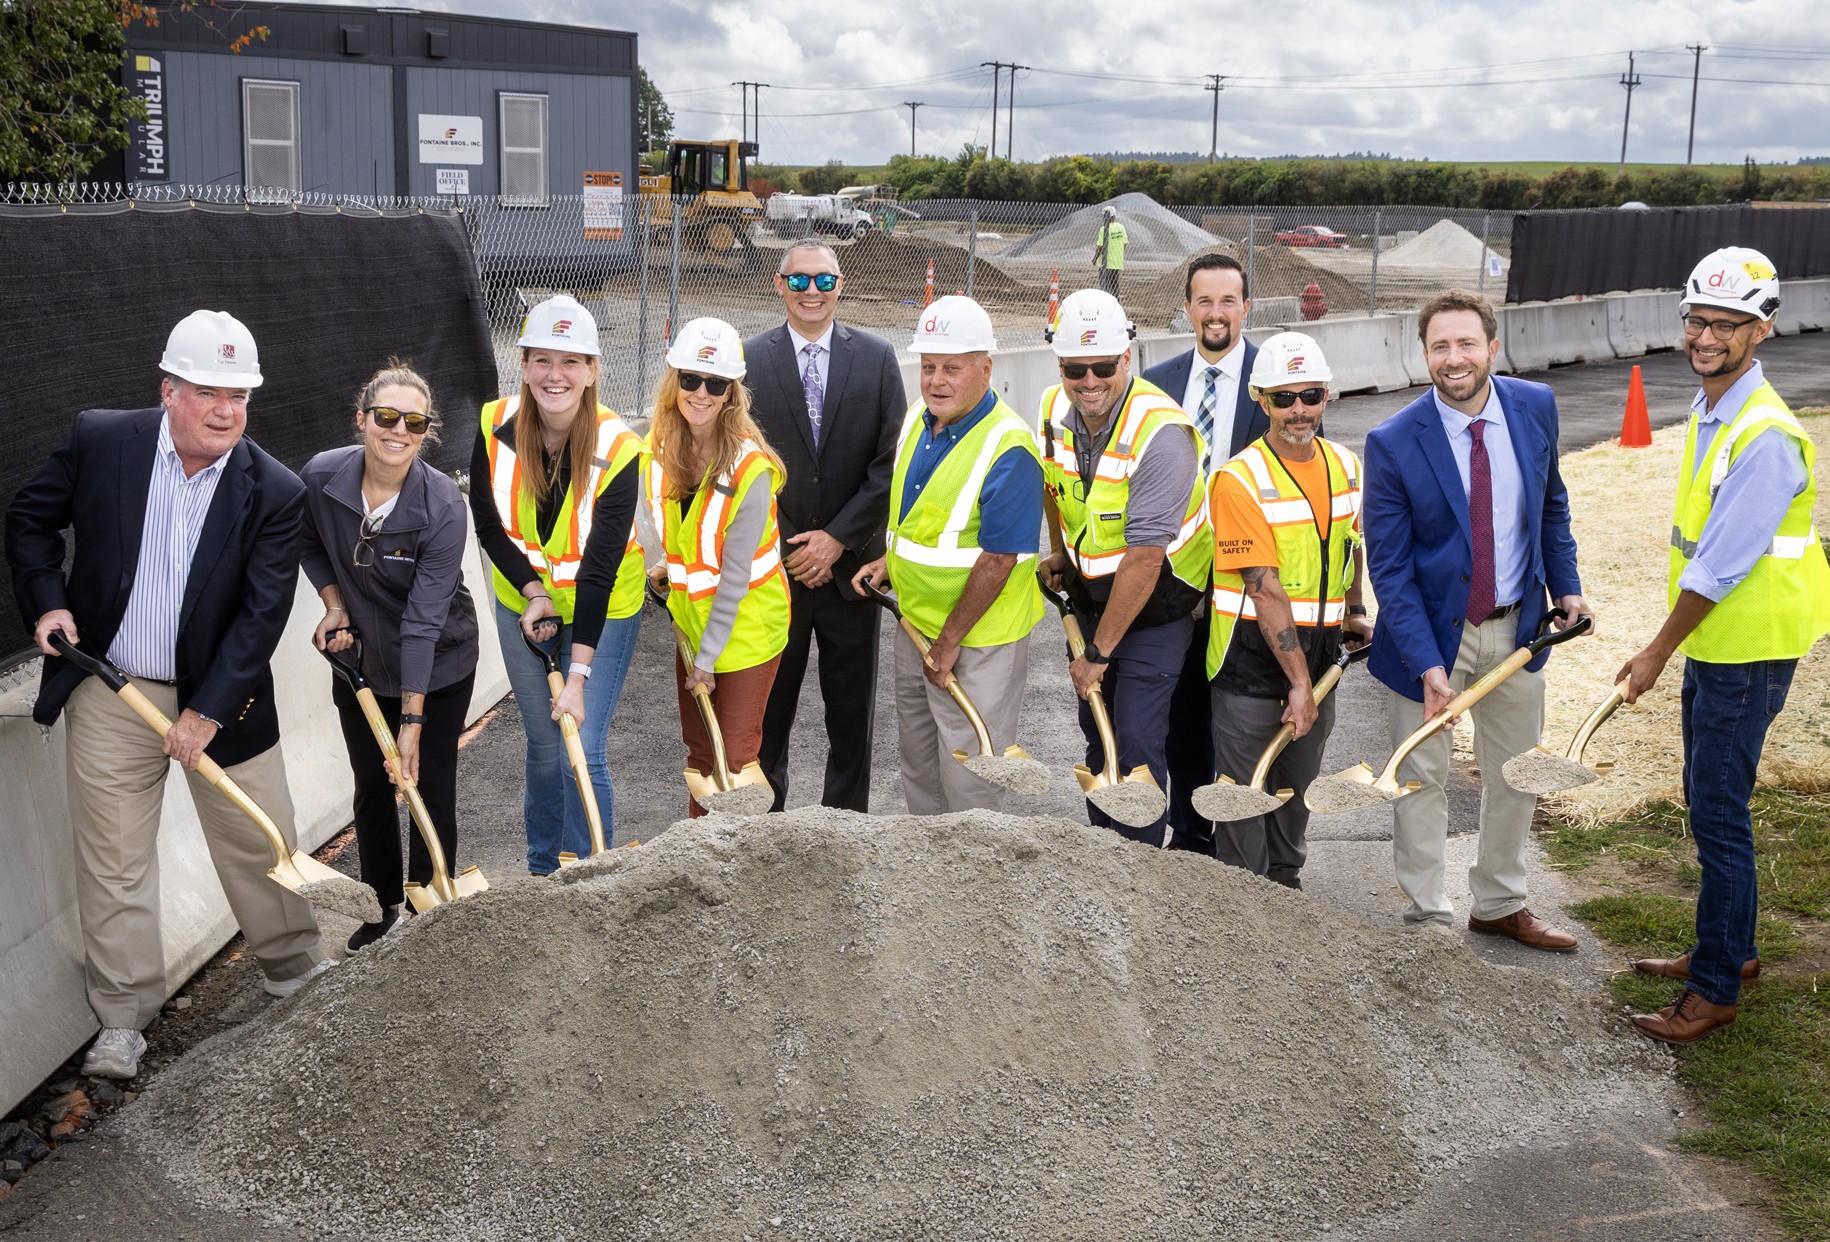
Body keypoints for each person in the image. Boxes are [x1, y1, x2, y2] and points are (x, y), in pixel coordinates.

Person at [5, 310, 331, 1080]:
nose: (225, 411)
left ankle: (294, 973)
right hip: (111, 689)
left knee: (260, 841)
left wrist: (206, 711)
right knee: (113, 859)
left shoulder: (273, 490)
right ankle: (123, 1019)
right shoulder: (102, 441)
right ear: (169, 391)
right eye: (209, 392)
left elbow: (262, 614)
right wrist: (48, 604)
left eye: (238, 396)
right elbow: (28, 520)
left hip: (224, 698)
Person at [1617, 248, 1830, 1044]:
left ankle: (1713, 991)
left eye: (1727, 324)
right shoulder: (1716, 411)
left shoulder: (1763, 434)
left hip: (1746, 648)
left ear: (1761, 329)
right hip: (1722, 643)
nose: (1706, 336)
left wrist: (1656, 650)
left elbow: (1720, 565)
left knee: (1718, 811)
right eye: (1697, 320)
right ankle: (1729, 951)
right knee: (1708, 801)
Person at [1362, 289, 1593, 948]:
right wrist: (1427, 665)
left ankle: (1499, 903)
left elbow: (1551, 504)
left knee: (1516, 773)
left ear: (1492, 347)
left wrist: (1567, 588)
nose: (1454, 358)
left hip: (1520, 629)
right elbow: (1391, 569)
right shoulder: (1392, 442)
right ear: (1424, 354)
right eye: (1440, 346)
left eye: (1466, 343)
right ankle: (1428, 918)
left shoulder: (1535, 406)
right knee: (1420, 777)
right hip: (1432, 638)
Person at [300, 361, 479, 950]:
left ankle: (431, 904)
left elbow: (424, 621)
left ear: (427, 431)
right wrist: (334, 604)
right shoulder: (322, 478)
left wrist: (411, 719)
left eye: (414, 422)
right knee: (371, 787)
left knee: (428, 781)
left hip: (439, 662)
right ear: (362, 419)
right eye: (386, 416)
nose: (399, 430)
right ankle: (381, 909)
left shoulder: (443, 503)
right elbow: (306, 540)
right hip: (360, 662)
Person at [851, 296, 1044, 815]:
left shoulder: (1009, 448)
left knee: (970, 775)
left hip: (976, 639)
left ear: (985, 369)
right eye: (929, 366)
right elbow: (924, 520)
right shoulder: (919, 418)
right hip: (917, 625)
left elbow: (999, 560)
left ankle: (977, 866)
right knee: (919, 763)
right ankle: (929, 860)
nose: (936, 381)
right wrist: (889, 564)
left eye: (952, 368)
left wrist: (950, 641)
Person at [472, 295, 644, 874]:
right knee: (545, 746)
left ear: (592, 371)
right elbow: (488, 526)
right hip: (523, 600)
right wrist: (535, 593)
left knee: (582, 744)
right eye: (542, 359)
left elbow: (598, 570)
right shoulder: (494, 425)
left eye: (571, 361)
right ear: (523, 365)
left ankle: (593, 877)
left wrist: (577, 677)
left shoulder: (619, 448)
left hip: (604, 605)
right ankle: (544, 874)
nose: (555, 374)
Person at [1037, 288, 1207, 845]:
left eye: (1104, 367)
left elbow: (1145, 558)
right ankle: (1103, 854)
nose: (1089, 381)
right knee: (1097, 732)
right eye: (1075, 368)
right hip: (1092, 595)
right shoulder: (1053, 409)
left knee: (1134, 743)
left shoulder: (1161, 434)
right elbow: (1055, 483)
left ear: (1127, 358)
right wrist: (1061, 550)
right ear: (1060, 365)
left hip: (1158, 604)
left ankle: (1139, 869)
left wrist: (1097, 655)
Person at [744, 239, 906, 813]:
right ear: (779, 284)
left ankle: (847, 828)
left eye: (823, 280)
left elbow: (890, 461)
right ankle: (766, 827)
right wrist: (792, 542)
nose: (810, 291)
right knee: (767, 716)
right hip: (777, 572)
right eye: (798, 280)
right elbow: (740, 461)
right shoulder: (748, 360)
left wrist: (837, 539)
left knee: (851, 719)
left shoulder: (878, 357)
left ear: (840, 285)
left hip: (852, 574)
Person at [1206, 333, 1371, 888]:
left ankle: (1285, 890)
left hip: (1320, 660)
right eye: (1284, 398)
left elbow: (1351, 543)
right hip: (1250, 663)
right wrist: (1299, 684)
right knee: (1244, 796)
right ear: (1261, 400)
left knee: (1296, 791)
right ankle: (1243, 902)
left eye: (1310, 395)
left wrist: (1354, 610)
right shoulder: (1239, 480)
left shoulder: (1345, 465)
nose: (1299, 409)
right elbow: (1264, 588)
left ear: (1327, 395)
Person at [1142, 252, 1266, 854]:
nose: (1216, 313)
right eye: (1205, 301)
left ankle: (1244, 843)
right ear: (1187, 308)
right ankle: (1191, 836)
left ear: (1246, 307)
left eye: (1228, 302)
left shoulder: (1277, 379)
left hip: (1248, 577)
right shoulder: (1156, 382)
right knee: (1183, 710)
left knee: (1239, 715)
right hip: (1174, 576)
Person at [643, 318, 791, 818]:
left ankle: (736, 858)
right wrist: (668, 564)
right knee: (702, 757)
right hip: (693, 620)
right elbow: (689, 532)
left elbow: (733, 579)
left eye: (715, 383)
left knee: (735, 759)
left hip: (747, 630)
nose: (701, 393)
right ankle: (699, 854)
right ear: (675, 381)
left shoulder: (750, 468)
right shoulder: (663, 449)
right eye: (690, 379)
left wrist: (705, 662)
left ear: (732, 393)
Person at [1092, 206, 1128, 298]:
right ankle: (1116, 301)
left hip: (1106, 263)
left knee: (1105, 285)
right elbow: (1124, 243)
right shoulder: (1121, 227)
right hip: (1117, 262)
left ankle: (1106, 301)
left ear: (1106, 216)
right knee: (1114, 284)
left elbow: (1100, 247)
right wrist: (1118, 253)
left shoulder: (1104, 229)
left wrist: (1095, 259)